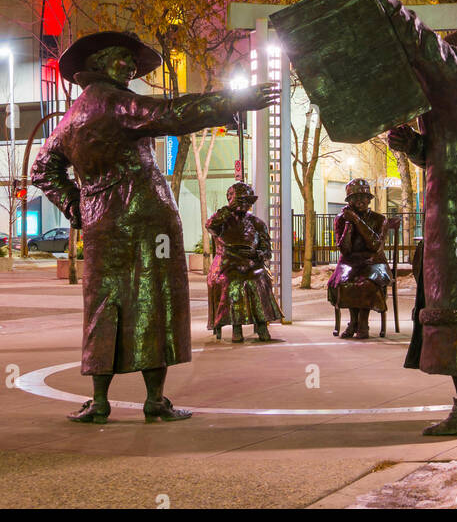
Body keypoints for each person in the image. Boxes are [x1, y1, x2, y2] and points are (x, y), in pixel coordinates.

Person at [30, 31, 277, 422]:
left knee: (103, 304)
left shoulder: (73, 115)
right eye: (120, 58)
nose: (129, 66)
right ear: (97, 64)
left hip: (100, 222)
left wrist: (77, 207)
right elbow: (170, 114)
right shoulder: (116, 102)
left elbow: (42, 167)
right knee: (155, 298)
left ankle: (99, 400)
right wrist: (233, 100)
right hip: (146, 214)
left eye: (131, 60)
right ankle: (155, 399)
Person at [335, 0, 457, 438]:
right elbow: (456, 149)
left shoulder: (455, 70)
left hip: (454, 203)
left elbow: (413, 33)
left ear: (456, 56)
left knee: (456, 299)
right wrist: (414, 147)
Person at [206, 183, 283, 342]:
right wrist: (228, 209)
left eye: (247, 201)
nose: (244, 205)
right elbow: (210, 226)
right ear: (231, 200)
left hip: (251, 264)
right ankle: (236, 327)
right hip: (226, 264)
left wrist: (257, 253)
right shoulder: (222, 221)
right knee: (233, 283)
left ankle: (262, 325)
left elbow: (267, 250)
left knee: (260, 279)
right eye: (240, 200)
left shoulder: (257, 223)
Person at [327, 178, 394, 339]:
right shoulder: (341, 219)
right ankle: (353, 322)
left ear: (369, 199)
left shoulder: (379, 219)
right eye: (355, 198)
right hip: (350, 262)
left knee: (366, 283)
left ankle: (362, 323)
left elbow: (374, 245)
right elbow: (345, 249)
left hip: (374, 261)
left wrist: (357, 221)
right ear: (349, 201)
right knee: (343, 282)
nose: (360, 201)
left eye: (363, 197)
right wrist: (349, 225)